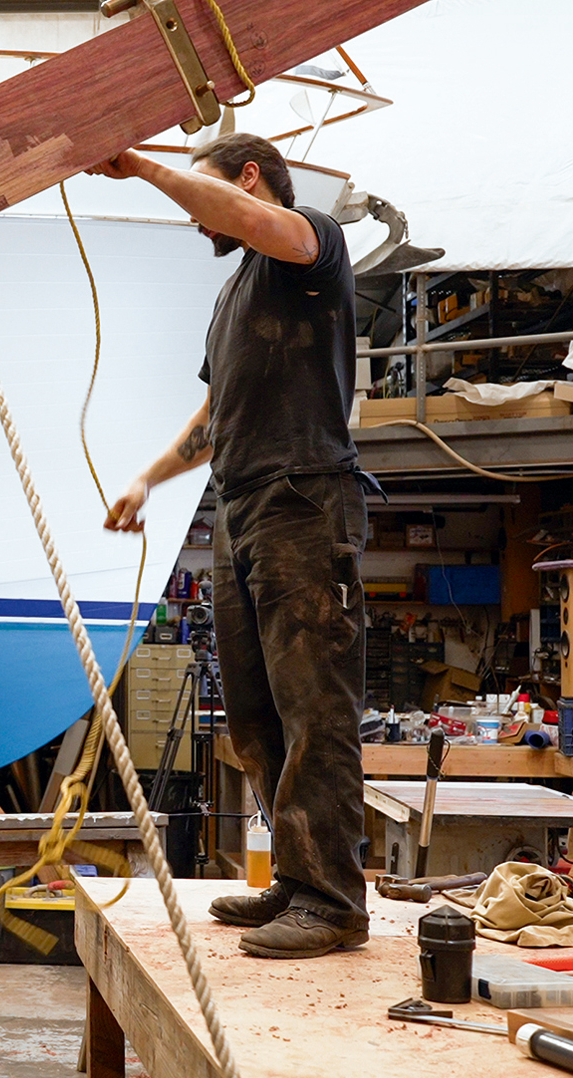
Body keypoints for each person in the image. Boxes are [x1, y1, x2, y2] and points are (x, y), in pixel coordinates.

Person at [89, 133, 370, 959]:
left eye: (201, 195)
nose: (192, 220)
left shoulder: (306, 242)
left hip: (305, 498)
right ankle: (297, 873)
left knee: (316, 703)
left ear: (250, 179)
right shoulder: (233, 297)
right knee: (252, 711)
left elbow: (252, 220)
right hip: (244, 508)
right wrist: (147, 478)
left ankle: (332, 899)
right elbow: (214, 419)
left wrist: (140, 163)